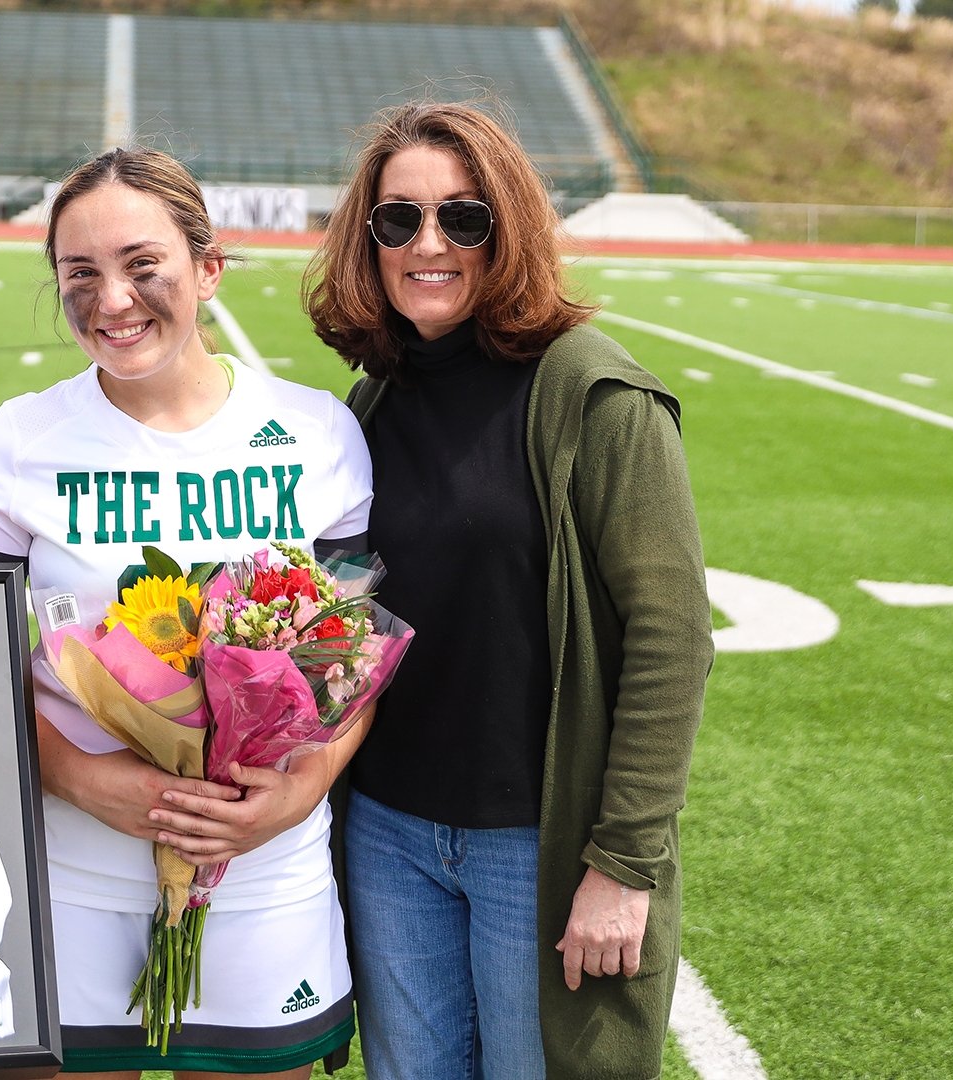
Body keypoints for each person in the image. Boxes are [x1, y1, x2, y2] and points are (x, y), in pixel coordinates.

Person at [303, 102, 714, 1080]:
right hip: (392, 840)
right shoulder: (376, 399)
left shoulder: (595, 395)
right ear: (371, 239)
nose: (428, 243)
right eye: (398, 220)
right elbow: (353, 611)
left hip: (538, 844)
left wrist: (622, 863)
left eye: (464, 217)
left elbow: (672, 636)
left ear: (510, 228)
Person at [0, 148, 370, 1079]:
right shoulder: (15, 445)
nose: (113, 300)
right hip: (71, 873)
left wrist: (302, 787)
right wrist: (72, 775)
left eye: (144, 266)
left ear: (208, 268)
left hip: (267, 874)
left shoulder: (318, 434)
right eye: (80, 274)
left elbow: (354, 657)